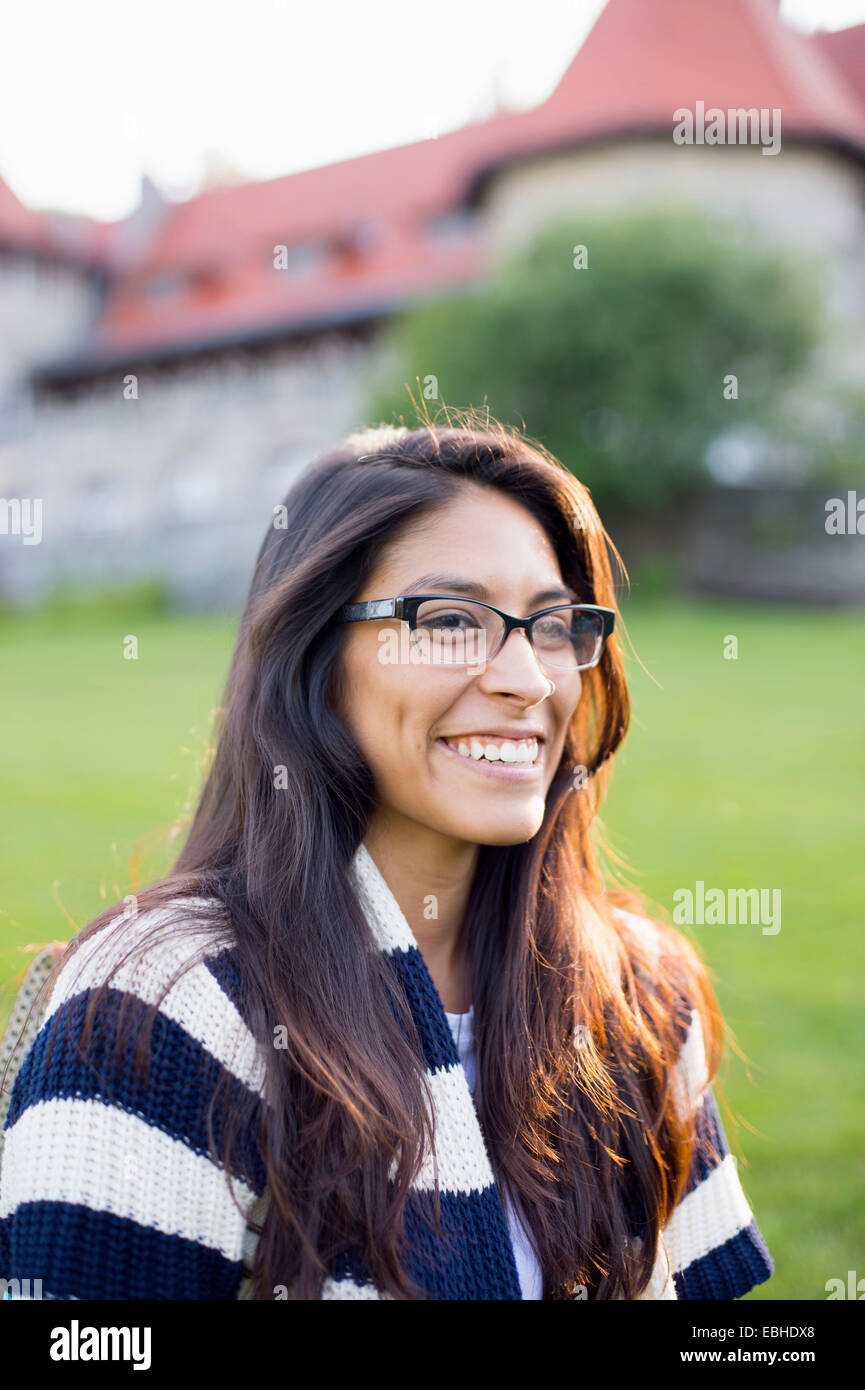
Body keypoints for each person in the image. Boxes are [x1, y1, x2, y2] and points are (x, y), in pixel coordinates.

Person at [0, 414, 774, 1299]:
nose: (526, 680)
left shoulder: (638, 993)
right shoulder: (171, 1005)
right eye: (449, 620)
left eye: (554, 625)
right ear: (315, 658)